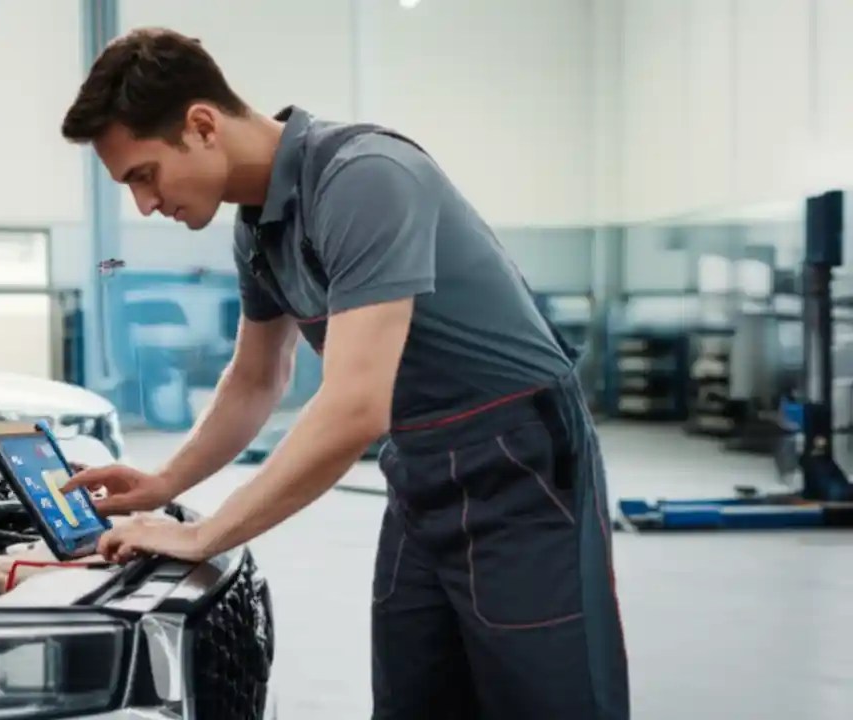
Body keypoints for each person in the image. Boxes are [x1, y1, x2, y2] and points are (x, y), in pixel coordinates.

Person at [58, 26, 629, 720]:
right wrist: (165, 483)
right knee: (415, 698)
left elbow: (356, 407)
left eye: (143, 175)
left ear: (201, 124)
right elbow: (256, 378)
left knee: (548, 701)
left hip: (522, 466)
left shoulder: (363, 177)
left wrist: (204, 535)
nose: (145, 204)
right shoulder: (257, 228)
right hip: (421, 469)